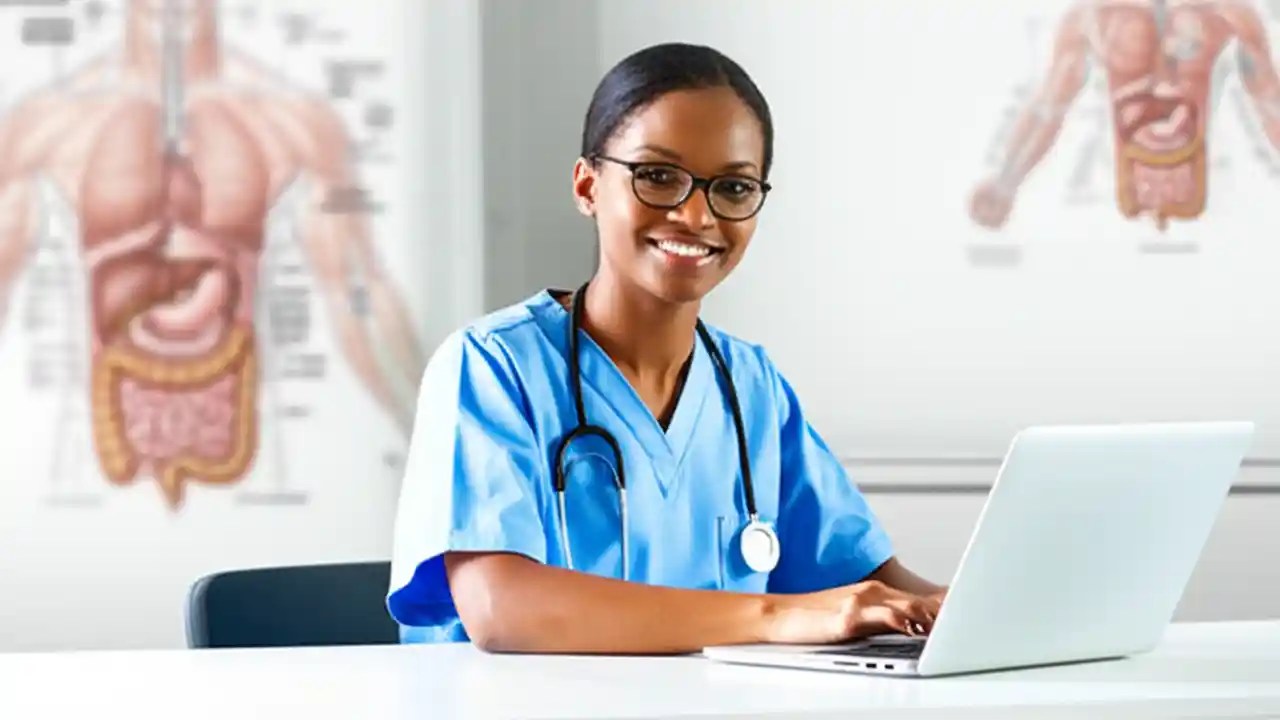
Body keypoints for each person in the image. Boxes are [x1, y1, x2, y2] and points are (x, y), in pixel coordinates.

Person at [387, 42, 947, 654]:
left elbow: (862, 584)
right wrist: (773, 616)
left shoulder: (750, 386)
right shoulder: (491, 366)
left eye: (733, 187)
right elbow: (502, 608)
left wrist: (961, 610)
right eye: (658, 176)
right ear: (587, 185)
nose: (695, 214)